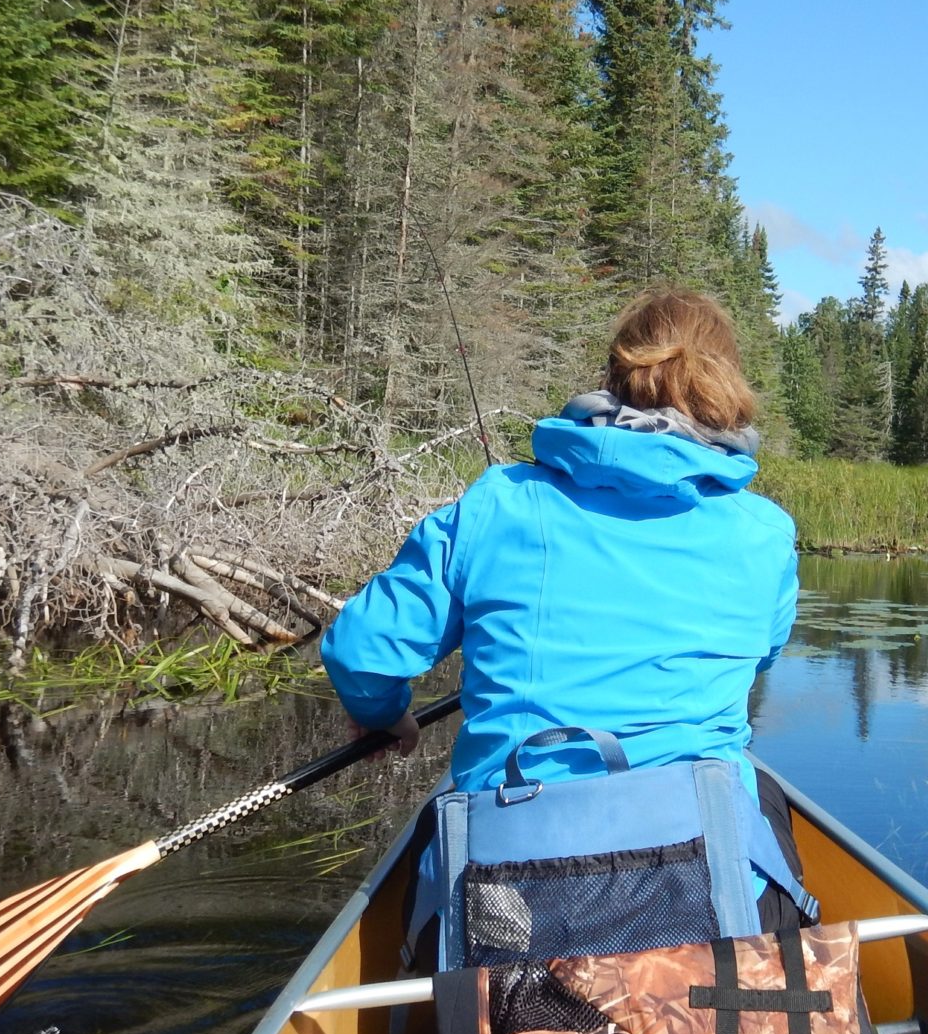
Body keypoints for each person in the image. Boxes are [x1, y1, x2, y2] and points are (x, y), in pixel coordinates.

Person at [320, 286, 806, 945]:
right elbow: (765, 654)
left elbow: (362, 651)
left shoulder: (502, 502)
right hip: (707, 885)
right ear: (725, 391)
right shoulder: (766, 532)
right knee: (758, 802)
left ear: (610, 380)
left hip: (514, 896)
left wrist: (383, 714)